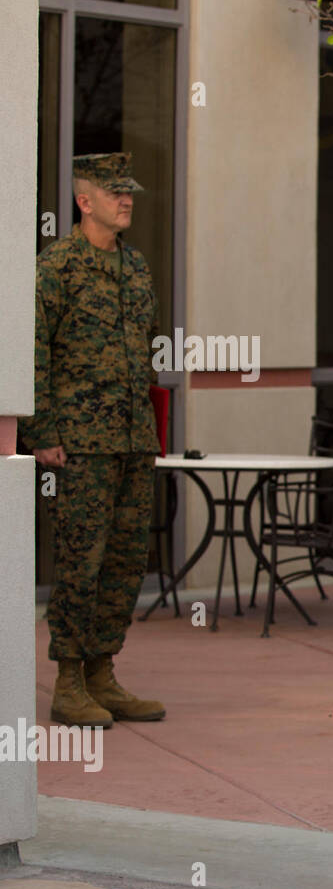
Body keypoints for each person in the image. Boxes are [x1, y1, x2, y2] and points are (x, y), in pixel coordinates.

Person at [21, 153, 167, 729]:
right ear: (85, 201)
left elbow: (147, 350)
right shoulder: (56, 265)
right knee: (81, 562)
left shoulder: (137, 268)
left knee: (126, 560)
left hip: (133, 439)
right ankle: (68, 682)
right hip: (80, 443)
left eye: (129, 192)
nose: (126, 201)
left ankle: (104, 671)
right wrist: (43, 432)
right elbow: (34, 351)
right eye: (114, 193)